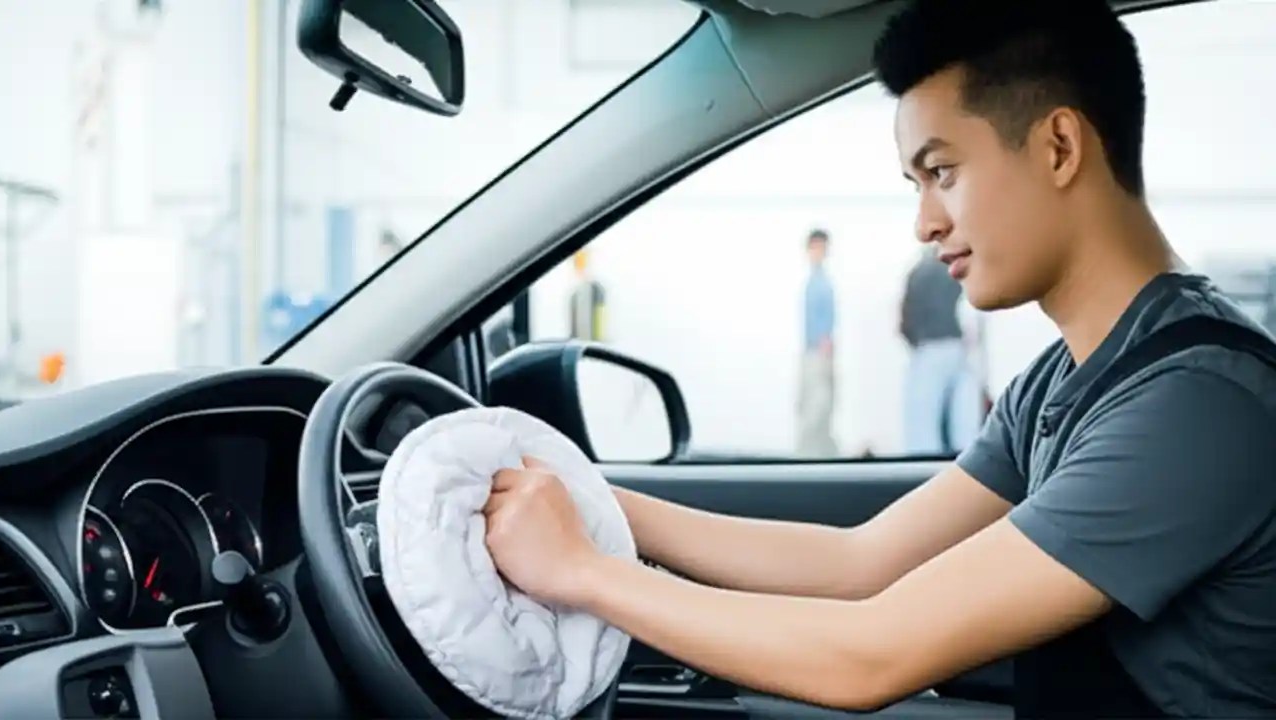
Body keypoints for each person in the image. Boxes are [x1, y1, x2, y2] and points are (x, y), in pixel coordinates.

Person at [480, 1, 1276, 716]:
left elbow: (873, 653)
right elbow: (862, 563)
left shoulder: (1200, 405)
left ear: (1059, 146)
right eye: (915, 183)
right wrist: (590, 500)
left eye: (943, 173)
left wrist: (583, 573)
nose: (924, 224)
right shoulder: (1069, 376)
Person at [899, 246, 982, 454]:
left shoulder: (917, 274)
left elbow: (905, 318)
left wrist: (912, 340)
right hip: (958, 348)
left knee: (923, 426)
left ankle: (925, 477)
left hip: (929, 349)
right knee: (964, 422)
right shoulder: (956, 271)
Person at [797, 229, 838, 457]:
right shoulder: (814, 282)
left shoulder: (822, 283)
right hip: (812, 351)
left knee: (819, 405)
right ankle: (810, 452)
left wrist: (824, 347)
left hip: (819, 352)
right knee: (810, 403)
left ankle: (816, 453)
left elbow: (826, 324)